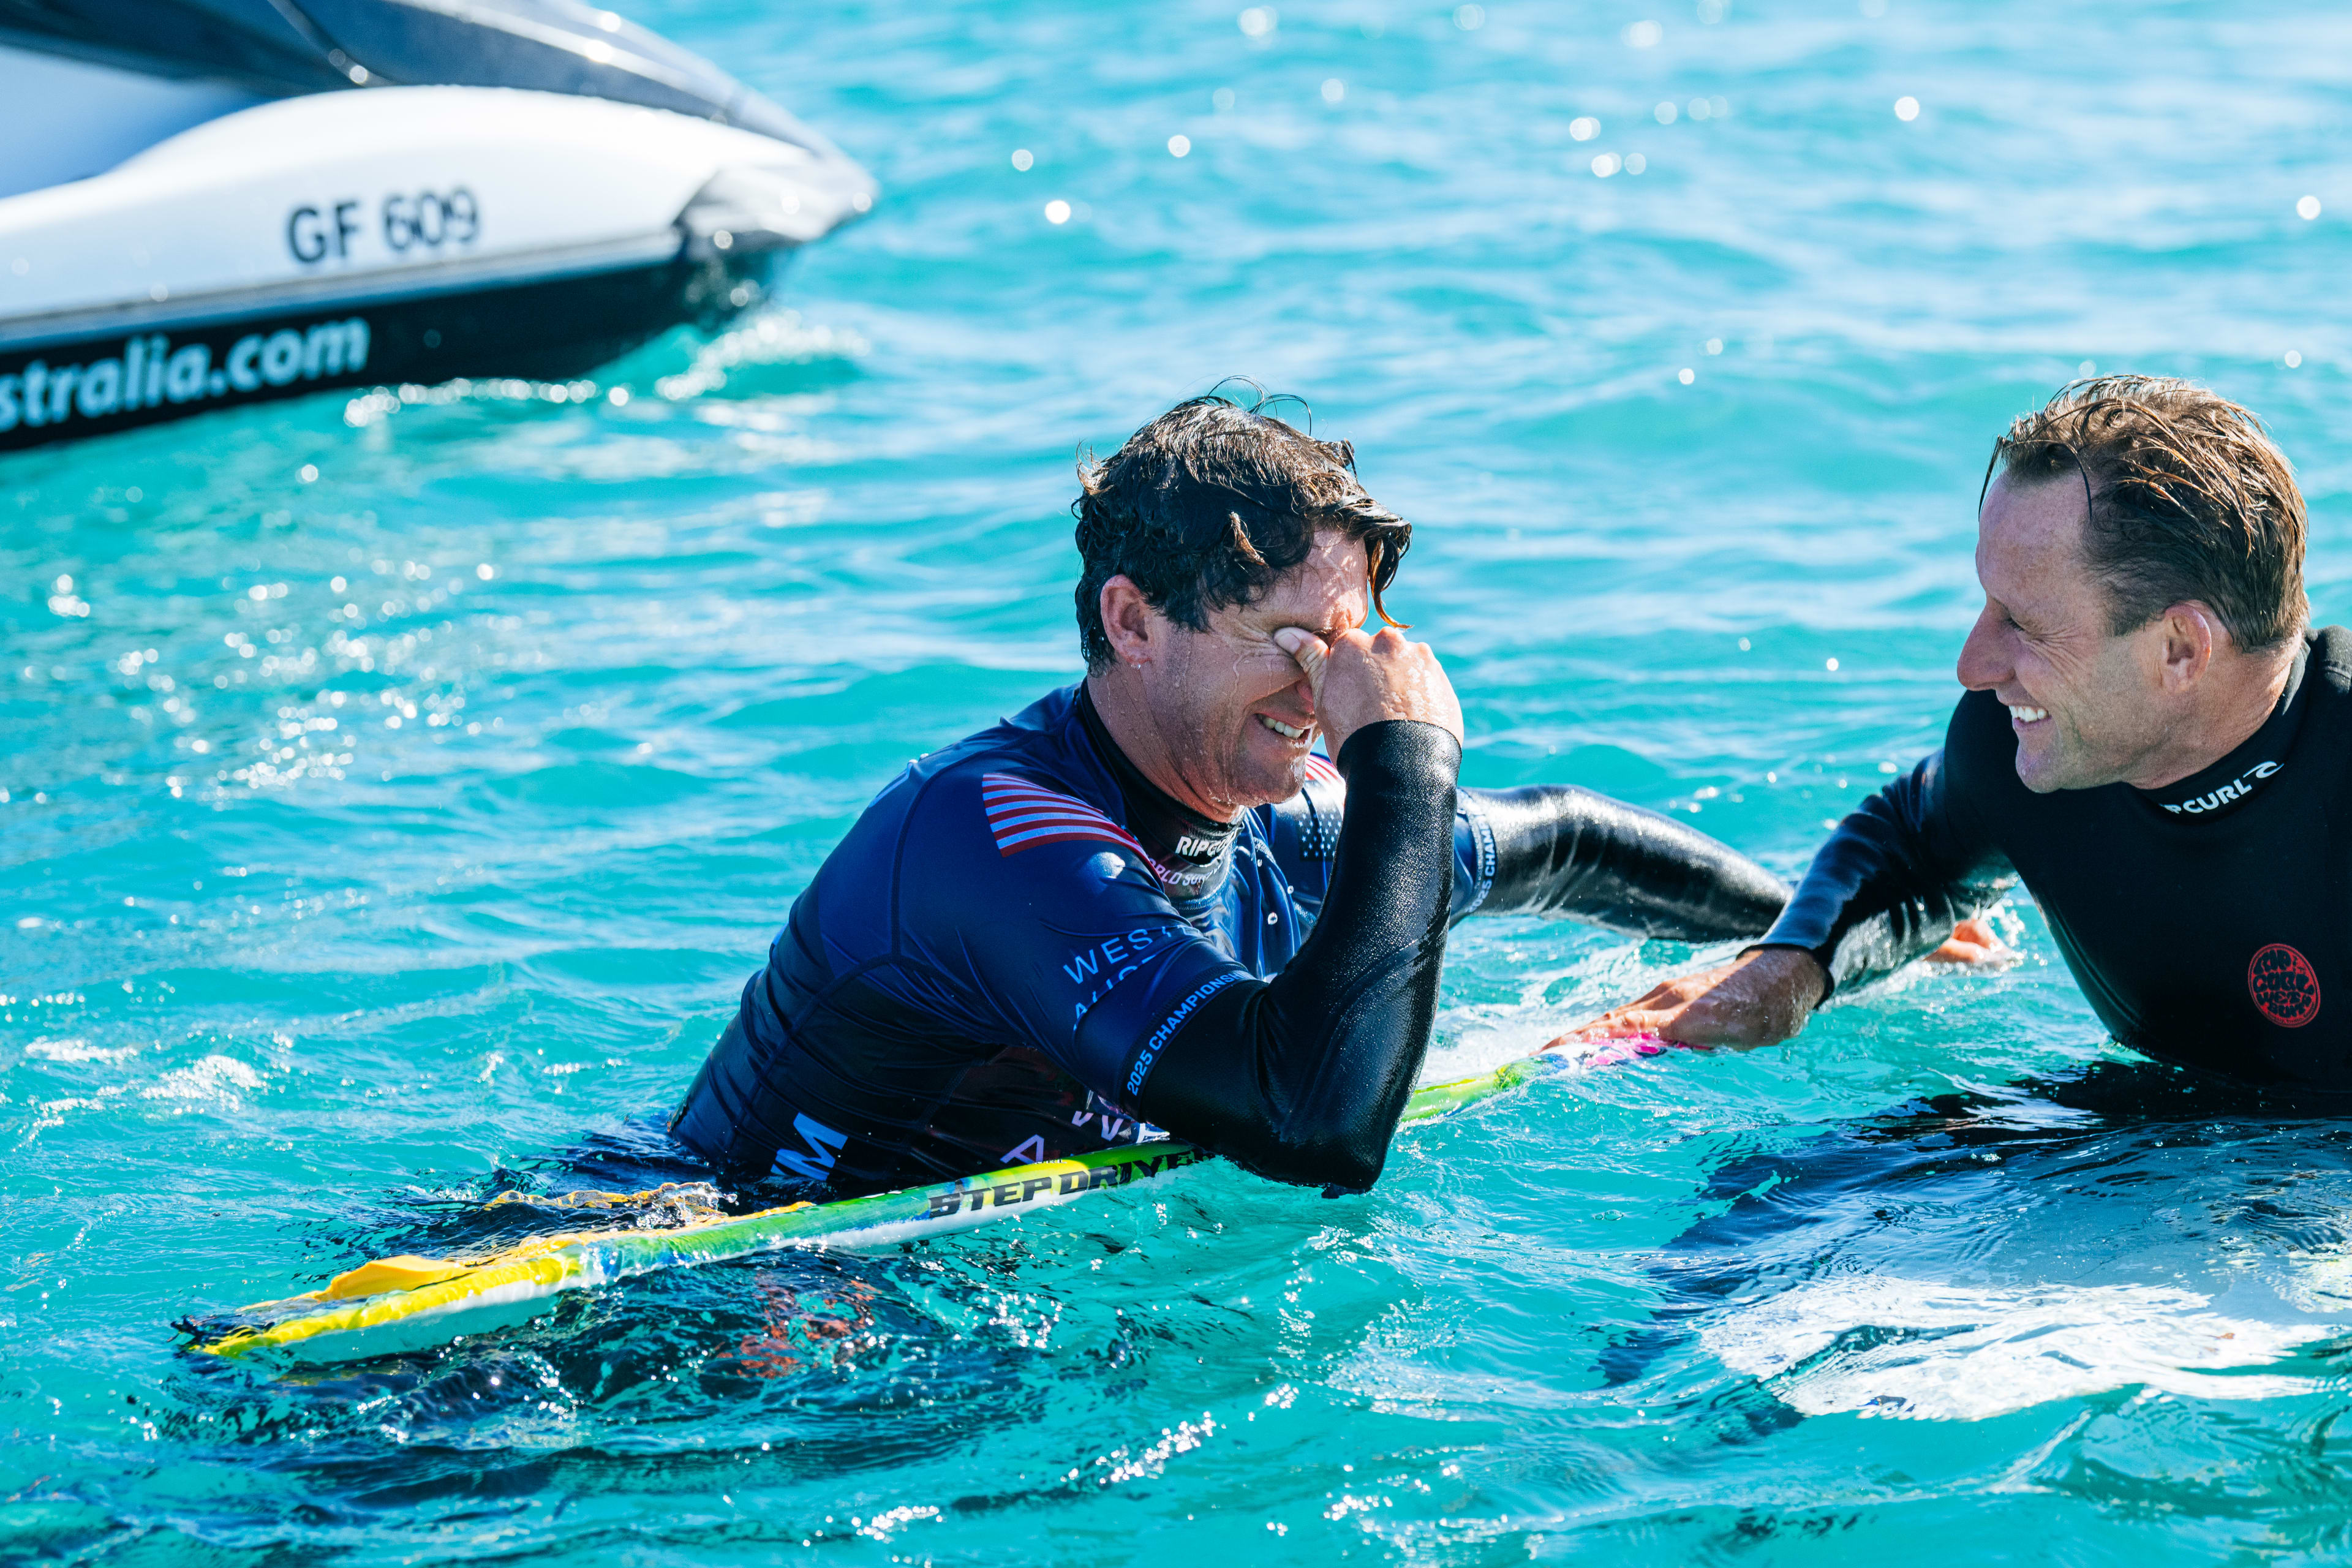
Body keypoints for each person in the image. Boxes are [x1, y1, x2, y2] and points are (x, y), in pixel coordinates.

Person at [668, 391, 1791, 1200]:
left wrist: (1806, 934)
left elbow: (1571, 843)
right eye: (1290, 641)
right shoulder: (997, 838)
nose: (1330, 690)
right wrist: (1404, 758)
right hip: (688, 1287)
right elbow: (1320, 1128)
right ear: (1132, 623)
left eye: (1353, 647)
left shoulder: (1278, 825)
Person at [1572, 375, 2352, 1091]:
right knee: (1767, 1210)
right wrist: (1786, 969)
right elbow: (1913, 844)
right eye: (1986, 604)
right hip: (2155, 1124)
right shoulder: (2019, 746)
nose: (1973, 665)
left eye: (2025, 623)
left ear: (2179, 650)